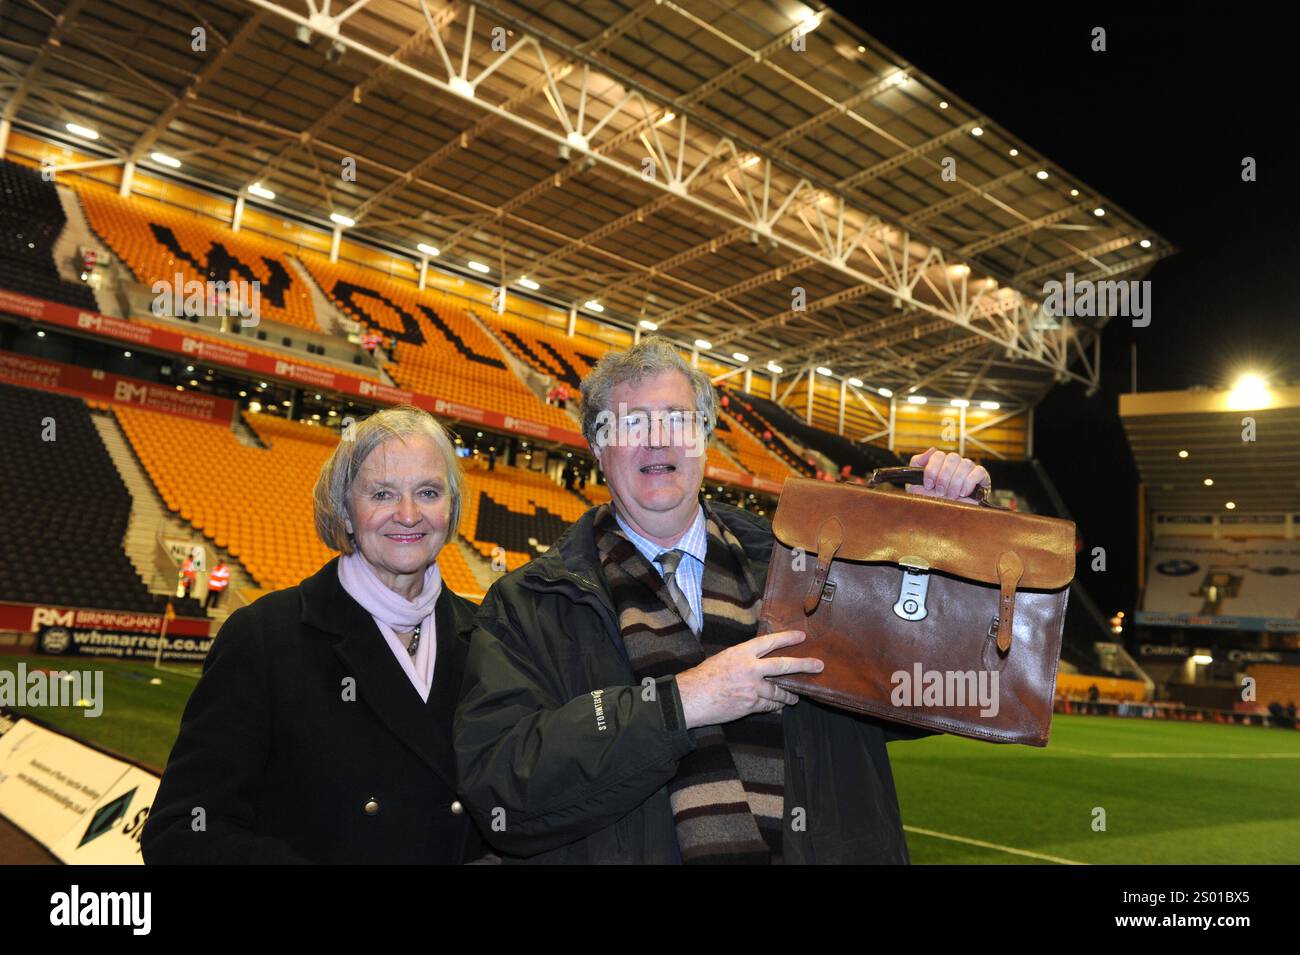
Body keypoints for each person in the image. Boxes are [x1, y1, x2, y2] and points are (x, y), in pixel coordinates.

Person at [454, 336, 992, 863]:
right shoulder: (526, 603)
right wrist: (679, 703)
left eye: (679, 420)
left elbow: (935, 686)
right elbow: (503, 789)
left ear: (705, 438)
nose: (658, 440)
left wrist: (940, 539)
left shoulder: (809, 568)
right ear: (598, 446)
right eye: (632, 422)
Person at [144, 406, 483, 864]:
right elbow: (182, 830)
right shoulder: (266, 637)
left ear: (451, 508)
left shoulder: (486, 635)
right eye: (382, 494)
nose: (408, 514)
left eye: (427, 492)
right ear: (345, 511)